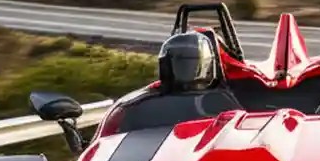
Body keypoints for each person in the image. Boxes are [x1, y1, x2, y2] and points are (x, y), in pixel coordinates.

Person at [97, 32, 242, 135]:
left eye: (187, 62)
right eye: (180, 62)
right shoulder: (130, 107)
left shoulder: (132, 106)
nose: (185, 69)